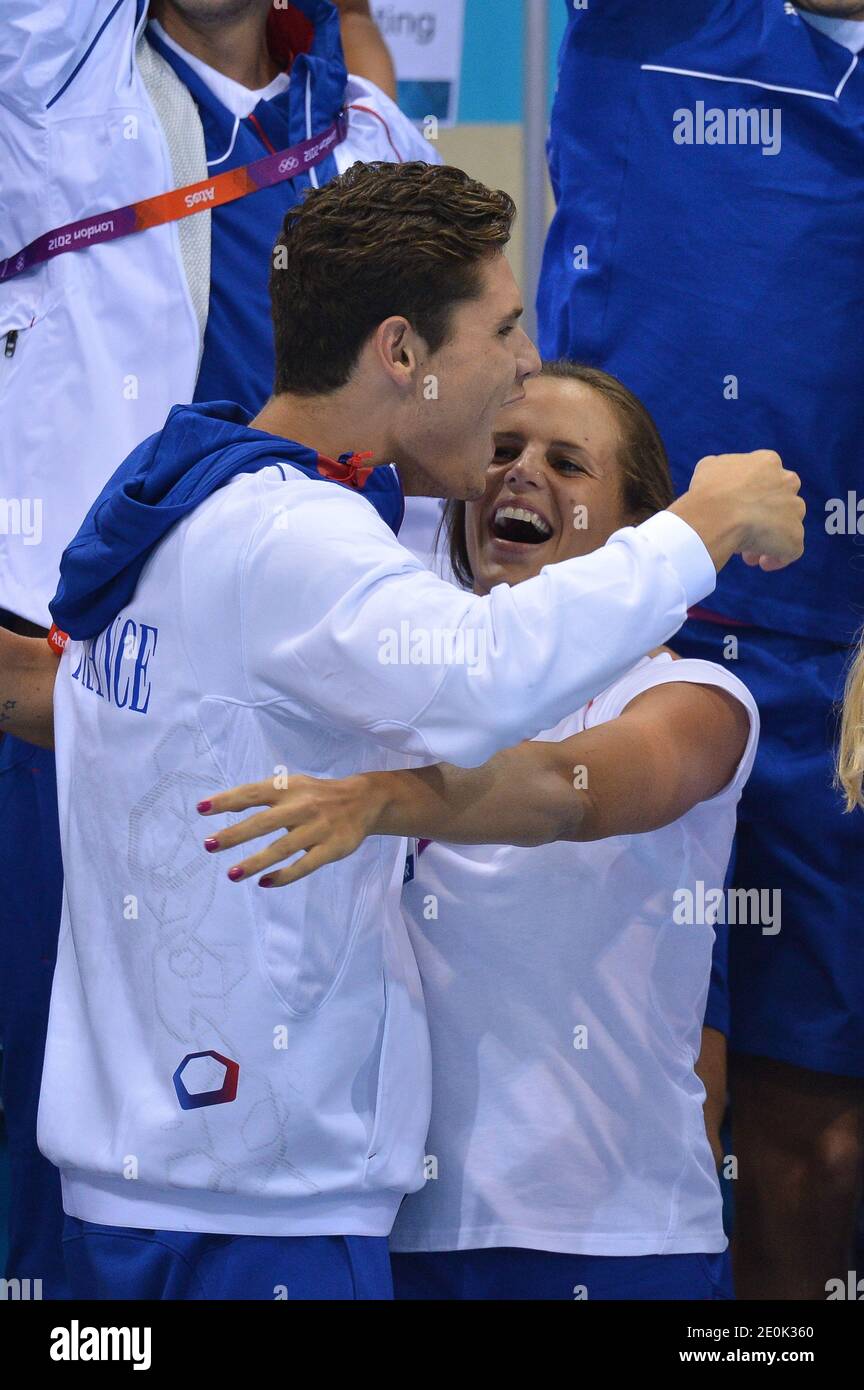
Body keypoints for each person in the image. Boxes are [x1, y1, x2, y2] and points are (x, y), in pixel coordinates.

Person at [0, 160, 803, 1300]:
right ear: (401, 353)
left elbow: (61, 694)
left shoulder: (178, 504)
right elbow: (480, 674)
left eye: (567, 462)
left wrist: (382, 797)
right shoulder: (303, 540)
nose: (523, 365)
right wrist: (699, 527)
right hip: (263, 1203)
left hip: (186, 1179)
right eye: (506, 328)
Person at [0, 0, 432, 1294]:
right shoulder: (53, 61)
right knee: (42, 1119)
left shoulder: (370, 137)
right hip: (68, 694)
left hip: (288, 729)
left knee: (262, 1130)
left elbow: (440, 398)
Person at [186, 363, 758, 1299]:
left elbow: (570, 794)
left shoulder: (694, 698)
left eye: (566, 464)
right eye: (501, 450)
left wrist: (379, 800)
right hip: (400, 1225)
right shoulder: (397, 696)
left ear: (638, 531)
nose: (519, 473)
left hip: (616, 1237)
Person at [537, 0, 864, 1299]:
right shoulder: (660, 18)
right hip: (625, 635)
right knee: (615, 1095)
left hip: (831, 682)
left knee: (813, 1136)